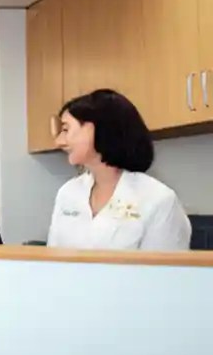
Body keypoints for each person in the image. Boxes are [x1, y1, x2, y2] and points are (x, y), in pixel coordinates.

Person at [48, 89, 191, 251]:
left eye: (66, 129)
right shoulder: (68, 193)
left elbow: (167, 273)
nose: (59, 141)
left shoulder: (159, 200)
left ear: (97, 128)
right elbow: (52, 262)